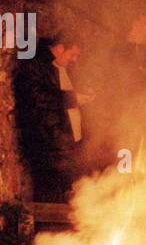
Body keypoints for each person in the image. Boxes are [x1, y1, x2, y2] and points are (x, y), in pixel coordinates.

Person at [14, 35, 91, 203]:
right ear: (59, 48)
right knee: (51, 195)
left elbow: (61, 93)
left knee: (68, 193)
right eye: (73, 55)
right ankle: (49, 227)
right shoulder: (35, 67)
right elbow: (36, 98)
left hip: (66, 143)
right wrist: (73, 98)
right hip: (50, 144)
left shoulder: (61, 68)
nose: (74, 60)